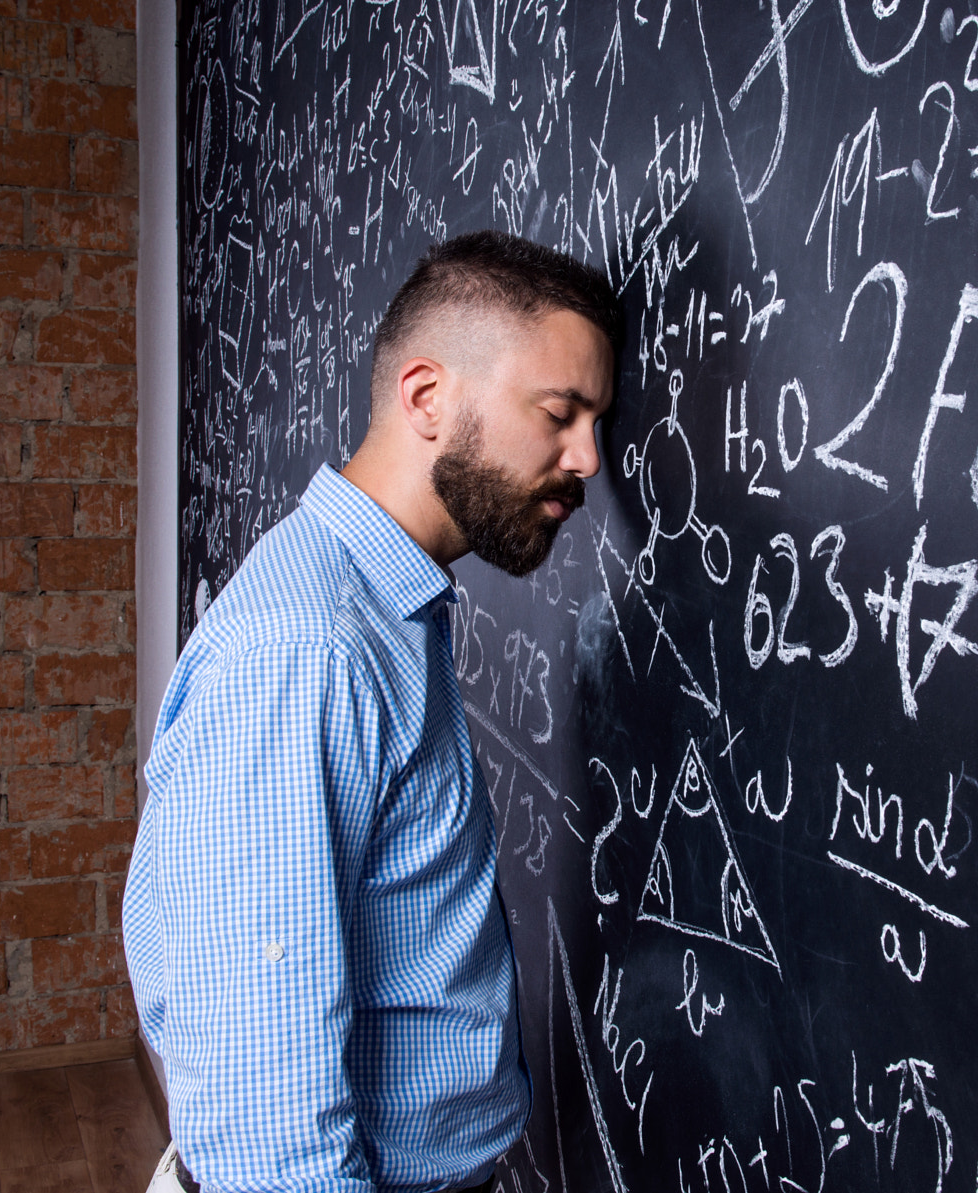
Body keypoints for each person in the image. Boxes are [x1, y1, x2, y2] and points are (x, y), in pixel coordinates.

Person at [125, 230, 621, 1193]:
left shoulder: (377, 606)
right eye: (560, 413)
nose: (589, 459)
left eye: (597, 422)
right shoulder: (307, 652)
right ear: (428, 398)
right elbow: (261, 1082)